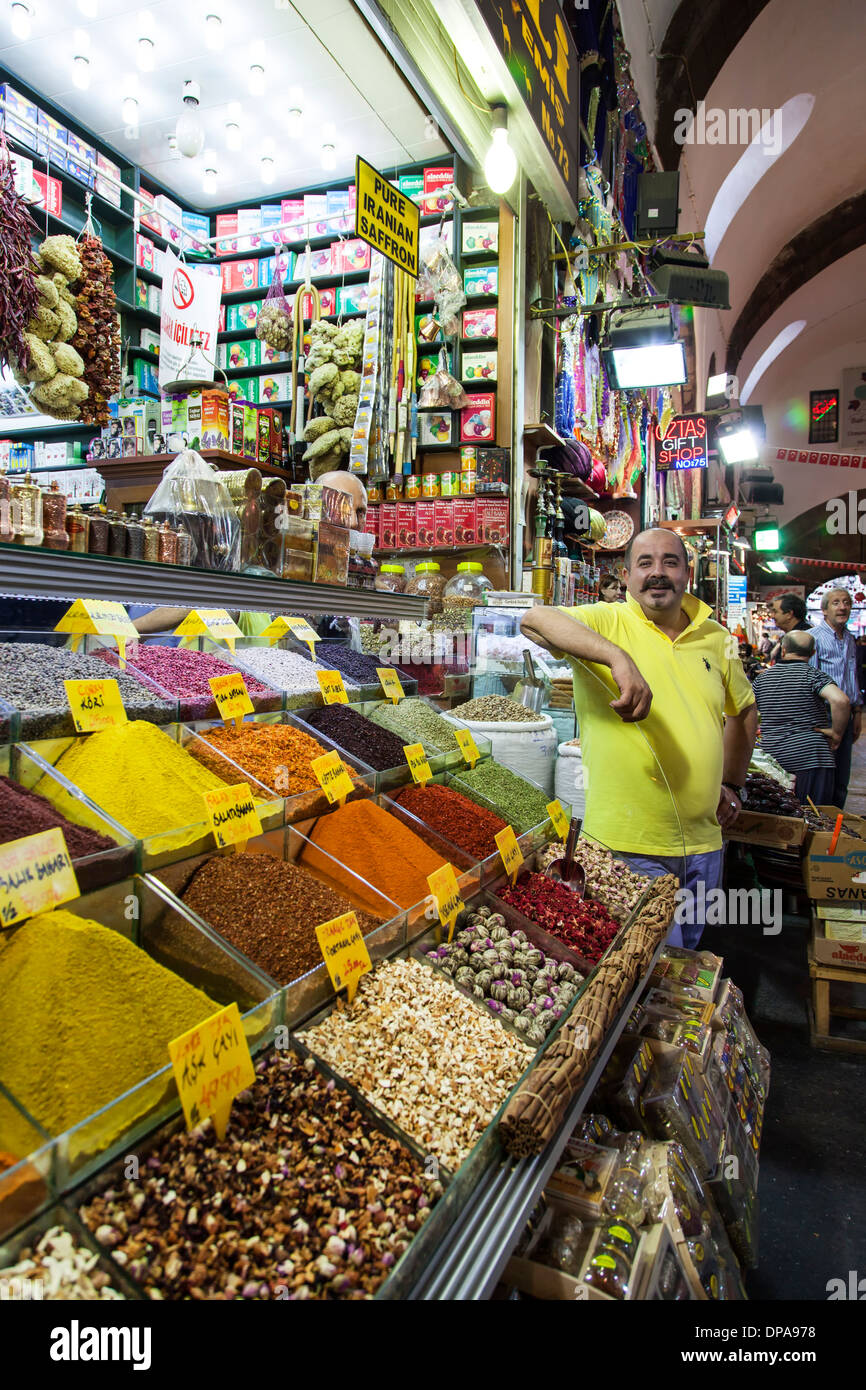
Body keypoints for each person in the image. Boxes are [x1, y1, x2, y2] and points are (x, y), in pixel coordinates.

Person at [521, 527, 757, 949]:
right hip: (627, 846)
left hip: (704, 843)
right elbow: (534, 620)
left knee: (685, 962)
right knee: (655, 963)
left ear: (687, 572)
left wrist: (732, 785)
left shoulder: (719, 638)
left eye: (669, 562)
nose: (657, 573)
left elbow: (743, 712)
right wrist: (617, 656)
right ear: (627, 575)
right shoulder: (606, 621)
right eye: (645, 563)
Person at [133, 470, 370, 638]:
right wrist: (132, 629)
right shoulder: (280, 559)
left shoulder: (361, 569)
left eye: (361, 512)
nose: (352, 521)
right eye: (343, 506)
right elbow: (215, 602)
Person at [752, 630, 850, 807]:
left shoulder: (762, 680)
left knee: (780, 818)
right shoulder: (815, 676)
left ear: (783, 650)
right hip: (812, 756)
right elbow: (840, 700)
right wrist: (837, 734)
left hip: (773, 758)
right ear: (812, 653)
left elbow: (747, 713)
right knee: (813, 816)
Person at [810, 588, 862, 807]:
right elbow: (811, 681)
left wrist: (857, 712)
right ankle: (822, 827)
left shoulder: (849, 638)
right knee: (824, 777)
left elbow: (852, 677)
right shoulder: (814, 638)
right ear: (824, 609)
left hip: (847, 715)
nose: (842, 607)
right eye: (836, 603)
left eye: (846, 602)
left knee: (842, 778)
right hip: (825, 716)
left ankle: (837, 829)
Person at [768, 592, 809, 661]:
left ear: (789, 614)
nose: (772, 616)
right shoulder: (791, 635)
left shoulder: (802, 638)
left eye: (775, 612)